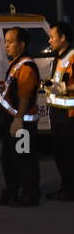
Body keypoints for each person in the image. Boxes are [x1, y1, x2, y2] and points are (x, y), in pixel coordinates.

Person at [0, 27, 41, 207]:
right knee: (9, 159)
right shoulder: (16, 64)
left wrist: (18, 119)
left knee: (24, 159)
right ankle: (13, 191)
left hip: (23, 124)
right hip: (12, 120)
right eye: (5, 42)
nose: (6, 45)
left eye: (10, 42)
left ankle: (30, 194)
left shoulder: (26, 67)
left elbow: (25, 96)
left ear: (22, 45)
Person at [42, 21, 74, 201]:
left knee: (69, 156)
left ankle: (69, 191)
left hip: (70, 116)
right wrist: (49, 85)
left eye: (52, 37)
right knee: (59, 154)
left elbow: (65, 86)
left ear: (63, 38)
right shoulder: (58, 58)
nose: (49, 40)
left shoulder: (73, 56)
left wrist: (62, 88)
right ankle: (66, 188)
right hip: (57, 115)